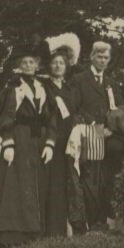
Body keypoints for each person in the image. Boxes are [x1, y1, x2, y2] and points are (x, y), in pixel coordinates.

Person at [0, 44, 58, 248]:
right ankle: (12, 234)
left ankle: (35, 232)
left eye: (32, 62)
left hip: (38, 142)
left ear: (37, 65)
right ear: (19, 66)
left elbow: (52, 118)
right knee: (16, 186)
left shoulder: (44, 88)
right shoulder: (13, 88)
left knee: (36, 186)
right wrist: (8, 143)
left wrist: (50, 142)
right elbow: (6, 117)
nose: (28, 65)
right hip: (19, 140)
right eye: (24, 62)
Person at [70, 41, 121, 231]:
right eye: (99, 56)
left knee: (106, 178)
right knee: (90, 178)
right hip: (88, 134)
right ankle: (91, 221)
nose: (102, 60)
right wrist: (95, 126)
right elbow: (74, 107)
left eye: (106, 57)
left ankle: (103, 219)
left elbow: (119, 110)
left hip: (108, 136)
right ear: (92, 57)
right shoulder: (79, 79)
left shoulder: (111, 83)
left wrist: (111, 129)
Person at [41, 44, 81, 236]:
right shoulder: (44, 86)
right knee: (50, 182)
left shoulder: (68, 88)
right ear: (49, 66)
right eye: (54, 63)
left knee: (65, 182)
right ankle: (49, 229)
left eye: (61, 63)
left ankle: (63, 228)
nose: (58, 66)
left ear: (66, 66)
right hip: (50, 139)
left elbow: (73, 113)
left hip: (67, 139)